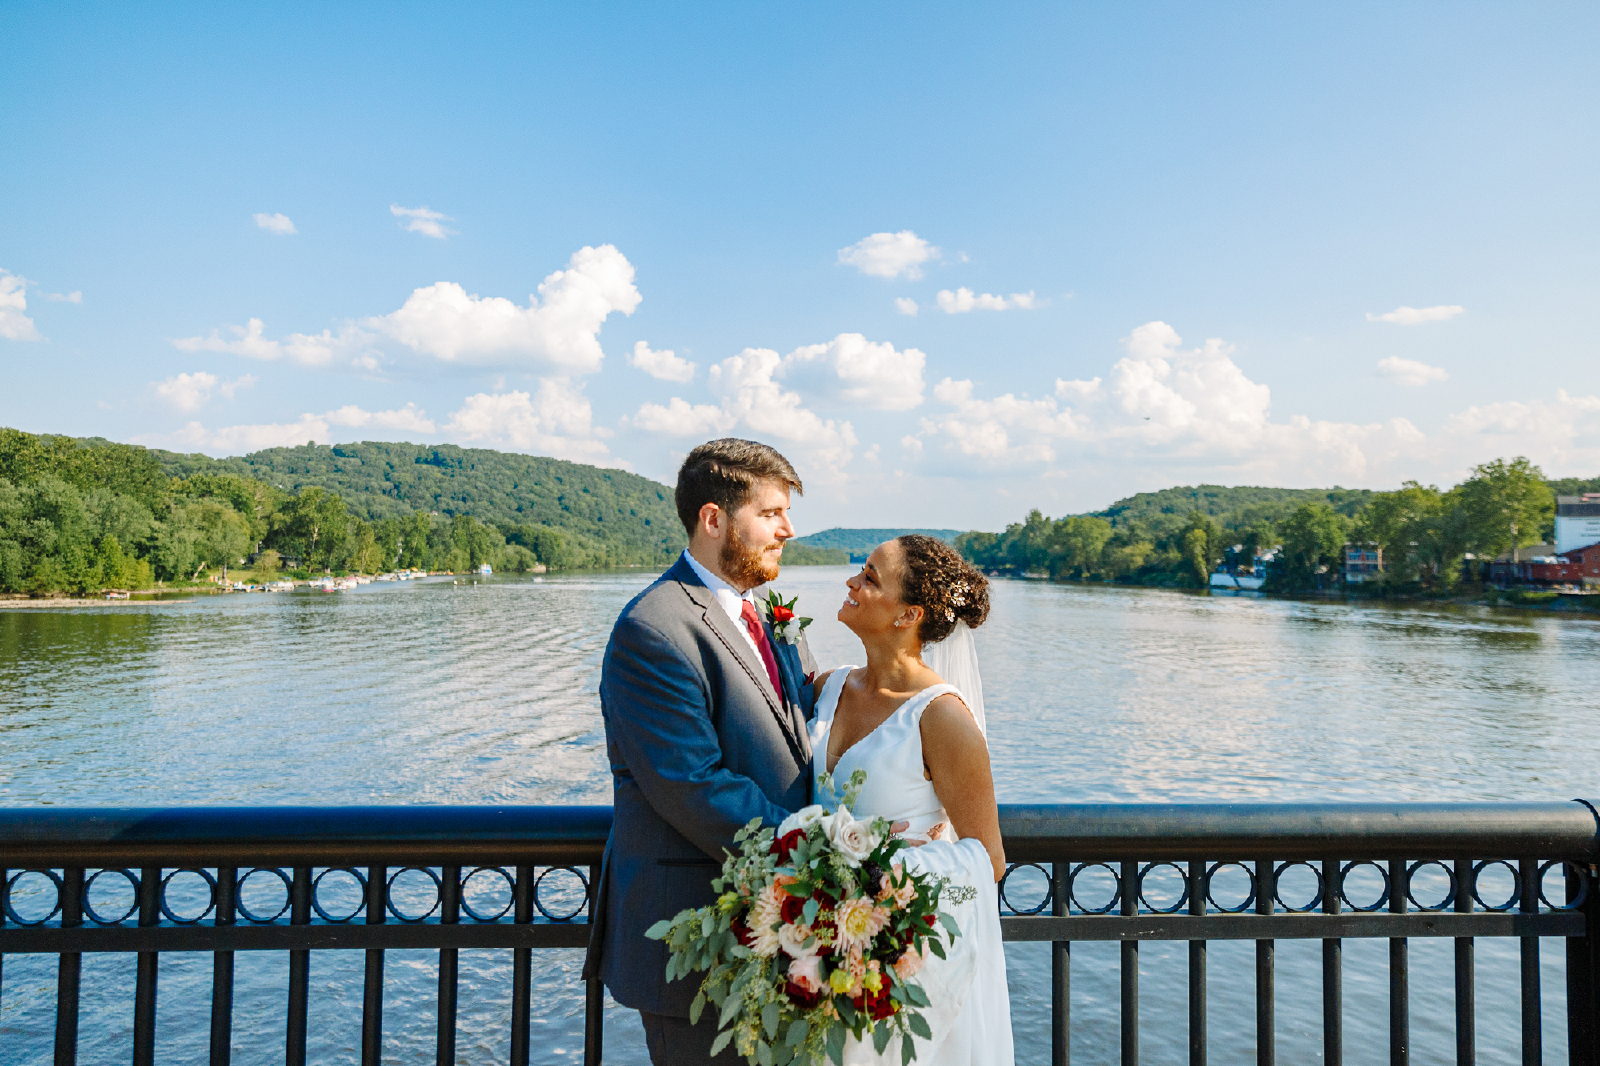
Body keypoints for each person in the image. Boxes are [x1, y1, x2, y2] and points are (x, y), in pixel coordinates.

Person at [583, 438, 822, 1064]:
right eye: (771, 514)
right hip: (700, 947)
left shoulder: (768, 613)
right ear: (714, 519)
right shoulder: (653, 629)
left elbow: (805, 727)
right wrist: (821, 852)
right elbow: (693, 784)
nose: (788, 530)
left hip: (785, 934)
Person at [809, 534, 1014, 1065]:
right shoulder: (826, 688)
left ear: (909, 614)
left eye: (871, 577)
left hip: (891, 956)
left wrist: (883, 878)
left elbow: (987, 859)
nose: (852, 581)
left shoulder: (941, 717)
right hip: (819, 947)